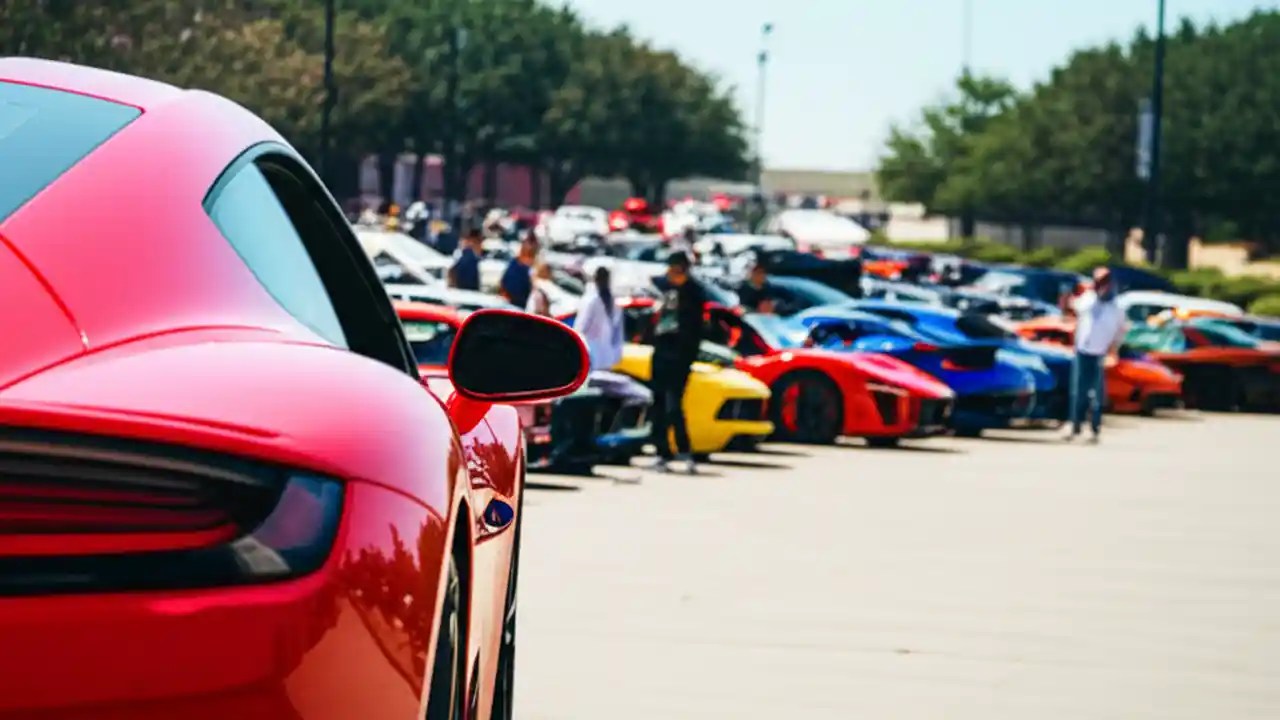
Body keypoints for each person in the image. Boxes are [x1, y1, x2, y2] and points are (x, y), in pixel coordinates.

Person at [649, 251, 705, 473]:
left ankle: (685, 451)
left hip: (679, 358)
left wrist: (686, 358)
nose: (672, 275)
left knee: (674, 406)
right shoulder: (664, 290)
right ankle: (661, 452)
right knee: (659, 406)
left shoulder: (693, 294)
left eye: (676, 271)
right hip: (661, 354)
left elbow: (695, 332)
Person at [1065, 267, 1127, 443]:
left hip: (1101, 353)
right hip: (1083, 351)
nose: (1102, 286)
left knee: (1097, 395)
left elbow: (1120, 330)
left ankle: (1094, 429)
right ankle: (1075, 427)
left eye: (1104, 281)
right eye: (1098, 281)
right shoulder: (1088, 299)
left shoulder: (1117, 307)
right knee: (1078, 392)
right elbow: (1074, 307)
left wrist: (1114, 349)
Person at [576, 265, 625, 371]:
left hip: (600, 356)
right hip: (597, 354)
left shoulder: (610, 301)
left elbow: (581, 327)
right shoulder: (593, 300)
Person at [501, 232, 538, 308]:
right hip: (508, 303)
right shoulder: (514, 262)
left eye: (530, 243)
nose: (527, 246)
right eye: (525, 242)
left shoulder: (535, 266)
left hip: (523, 306)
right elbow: (504, 281)